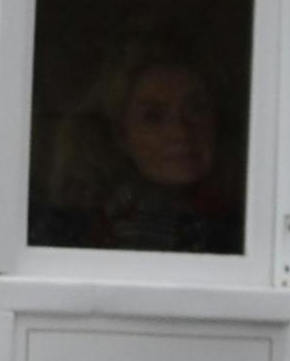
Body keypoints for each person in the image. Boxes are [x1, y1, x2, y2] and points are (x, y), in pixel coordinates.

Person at [38, 33, 240, 254]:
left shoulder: (240, 220)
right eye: (153, 117)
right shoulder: (116, 224)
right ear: (122, 136)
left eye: (196, 108)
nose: (180, 132)